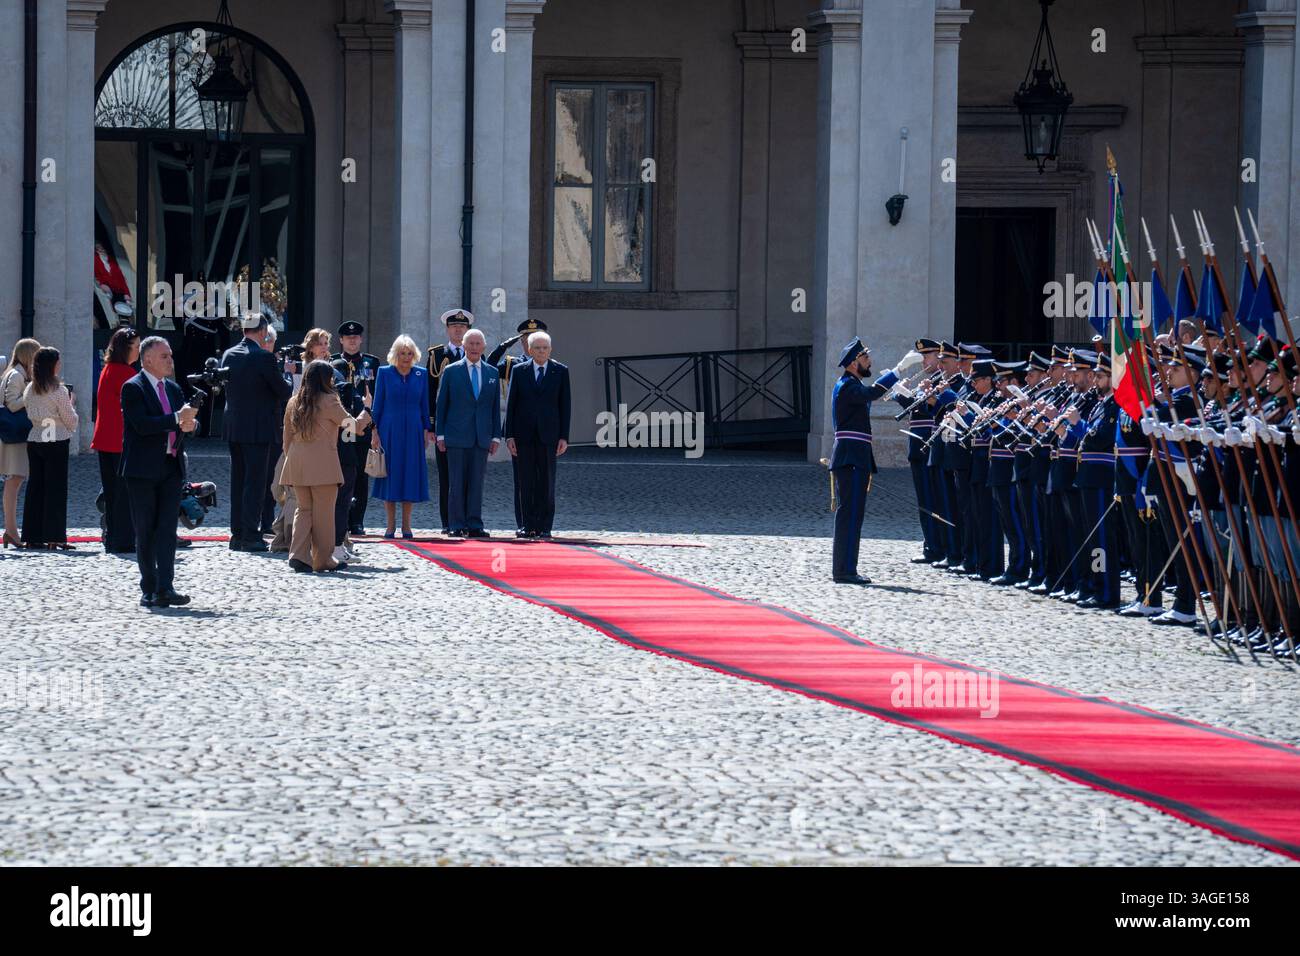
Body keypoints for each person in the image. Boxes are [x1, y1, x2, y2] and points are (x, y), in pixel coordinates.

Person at [828, 338, 922, 584]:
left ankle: (846, 568)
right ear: (853, 363)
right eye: (865, 357)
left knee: (852, 515)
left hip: (854, 456)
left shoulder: (850, 384)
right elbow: (870, 393)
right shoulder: (848, 386)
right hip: (851, 457)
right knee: (850, 515)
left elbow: (870, 394)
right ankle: (845, 570)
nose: (869, 361)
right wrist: (898, 370)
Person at [120, 336, 199, 607]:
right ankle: (149, 588)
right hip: (142, 470)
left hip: (170, 467)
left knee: (167, 530)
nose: (170, 360)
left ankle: (166, 587)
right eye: (164, 356)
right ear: (148, 360)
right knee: (146, 529)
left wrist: (190, 425)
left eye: (170, 355)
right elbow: (142, 425)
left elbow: (184, 423)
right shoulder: (133, 387)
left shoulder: (174, 389)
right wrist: (177, 419)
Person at [280, 360, 371, 572]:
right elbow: (353, 426)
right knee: (324, 513)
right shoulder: (329, 400)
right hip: (323, 465)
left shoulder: (293, 401)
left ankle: (298, 555)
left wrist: (292, 459)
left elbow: (286, 439)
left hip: (297, 463)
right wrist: (366, 409)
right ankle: (323, 559)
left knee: (303, 510)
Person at [221, 313, 291, 552]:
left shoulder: (229, 354)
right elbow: (283, 390)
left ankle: (237, 534)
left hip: (235, 426)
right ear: (262, 331)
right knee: (255, 483)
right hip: (259, 427)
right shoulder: (264, 357)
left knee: (238, 480)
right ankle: (251, 534)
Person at [504, 330, 571, 538]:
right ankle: (527, 524)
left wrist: (564, 436)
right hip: (523, 435)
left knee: (546, 482)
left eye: (545, 348)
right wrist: (509, 435)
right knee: (525, 481)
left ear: (550, 349)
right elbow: (511, 403)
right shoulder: (519, 370)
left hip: (549, 435)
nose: (541, 351)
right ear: (530, 350)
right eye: (537, 348)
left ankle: (545, 526)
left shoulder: (560, 371)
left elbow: (565, 405)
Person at [436, 328, 501, 538]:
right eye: (470, 344)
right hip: (456, 436)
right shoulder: (451, 371)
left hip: (481, 436)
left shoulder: (492, 373)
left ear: (484, 347)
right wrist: (440, 434)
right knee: (456, 483)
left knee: (476, 483)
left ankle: (474, 523)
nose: (474, 347)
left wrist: (495, 436)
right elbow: (442, 404)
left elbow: (494, 407)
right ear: (463, 346)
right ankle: (456, 524)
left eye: (477, 344)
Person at [371, 335, 431, 538]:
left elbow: (424, 405)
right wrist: (374, 432)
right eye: (402, 353)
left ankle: (406, 525)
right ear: (395, 354)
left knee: (410, 475)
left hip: (414, 431)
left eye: (410, 353)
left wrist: (426, 430)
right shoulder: (384, 373)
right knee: (391, 475)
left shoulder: (421, 374)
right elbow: (377, 404)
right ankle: (390, 526)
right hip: (389, 430)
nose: (406, 357)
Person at [21, 347, 79, 550]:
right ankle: (54, 536)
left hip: (36, 438)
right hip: (56, 439)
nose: (60, 365)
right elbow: (70, 420)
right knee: (56, 489)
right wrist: (72, 403)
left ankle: (32, 535)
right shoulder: (59, 391)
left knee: (35, 488)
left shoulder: (30, 389)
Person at [91, 327, 141, 553]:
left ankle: (113, 537)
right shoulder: (126, 373)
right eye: (136, 347)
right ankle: (123, 540)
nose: (139, 350)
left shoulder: (108, 369)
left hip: (106, 439)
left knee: (112, 494)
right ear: (125, 349)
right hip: (120, 441)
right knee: (124, 494)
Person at [426, 309, 475, 534]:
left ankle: (466, 519)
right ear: (447, 329)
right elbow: (429, 392)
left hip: (469, 426)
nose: (458, 330)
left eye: (462, 327)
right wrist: (431, 425)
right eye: (454, 327)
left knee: (469, 476)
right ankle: (448, 521)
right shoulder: (437, 355)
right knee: (446, 476)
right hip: (445, 425)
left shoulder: (475, 354)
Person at [494, 318, 542, 535]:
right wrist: (503, 346)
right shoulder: (512, 364)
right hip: (521, 430)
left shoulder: (552, 366)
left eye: (535, 338)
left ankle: (541, 523)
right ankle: (524, 522)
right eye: (526, 339)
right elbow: (489, 366)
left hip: (544, 431)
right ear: (521, 342)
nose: (530, 343)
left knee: (543, 479)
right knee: (522, 480)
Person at [334, 320, 380, 535]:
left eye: (355, 337)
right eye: (348, 338)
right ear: (341, 340)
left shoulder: (372, 363)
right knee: (342, 471)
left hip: (363, 425)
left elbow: (378, 395)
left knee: (361, 474)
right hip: (341, 425)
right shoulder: (333, 363)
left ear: (361, 339)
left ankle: (357, 521)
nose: (352, 341)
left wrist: (375, 428)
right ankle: (340, 517)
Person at [330, 357, 369, 564]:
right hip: (343, 452)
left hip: (323, 454)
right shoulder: (343, 391)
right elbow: (352, 428)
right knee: (341, 502)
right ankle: (336, 545)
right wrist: (367, 409)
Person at [1, 339, 39, 549]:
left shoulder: (16, 373)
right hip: (13, 438)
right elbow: (12, 405)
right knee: (14, 480)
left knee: (15, 480)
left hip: (14, 437)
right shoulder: (16, 375)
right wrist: (32, 393)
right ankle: (11, 531)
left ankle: (11, 531)